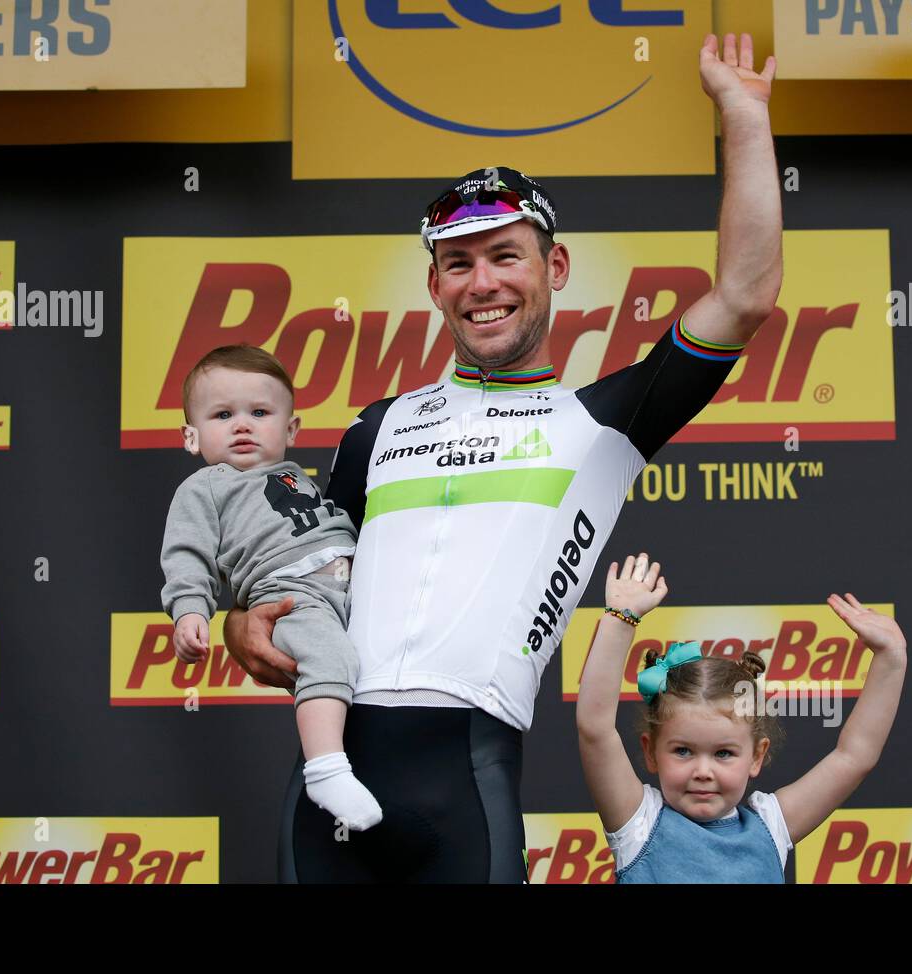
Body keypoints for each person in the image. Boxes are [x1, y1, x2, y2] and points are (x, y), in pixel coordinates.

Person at [223, 33, 783, 882]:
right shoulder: (376, 427)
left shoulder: (604, 421)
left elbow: (744, 295)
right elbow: (304, 582)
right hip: (327, 781)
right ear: (435, 285)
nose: (481, 282)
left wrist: (743, 117)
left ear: (553, 266)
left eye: (503, 256)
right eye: (458, 264)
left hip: (467, 777)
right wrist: (242, 621)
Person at [576, 553, 908, 883]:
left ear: (757, 755)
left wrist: (891, 658)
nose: (703, 772)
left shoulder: (771, 827)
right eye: (682, 751)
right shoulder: (639, 824)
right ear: (650, 752)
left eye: (723, 753)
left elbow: (854, 756)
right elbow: (595, 729)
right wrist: (620, 618)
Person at [160, 344, 382, 831]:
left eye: (259, 412)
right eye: (222, 415)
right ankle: (325, 768)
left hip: (351, 589)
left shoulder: (292, 477)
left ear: (291, 429)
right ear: (191, 436)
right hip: (289, 597)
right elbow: (187, 554)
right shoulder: (205, 487)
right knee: (330, 658)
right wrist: (191, 612)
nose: (242, 425)